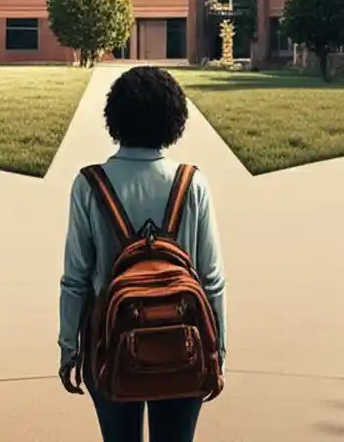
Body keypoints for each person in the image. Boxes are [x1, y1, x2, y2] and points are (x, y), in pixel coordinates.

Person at [58, 66, 227, 442]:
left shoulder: (89, 185)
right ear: (175, 120)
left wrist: (69, 347)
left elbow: (76, 280)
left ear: (113, 118)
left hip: (110, 341)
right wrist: (218, 349)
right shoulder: (192, 182)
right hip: (185, 339)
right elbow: (211, 279)